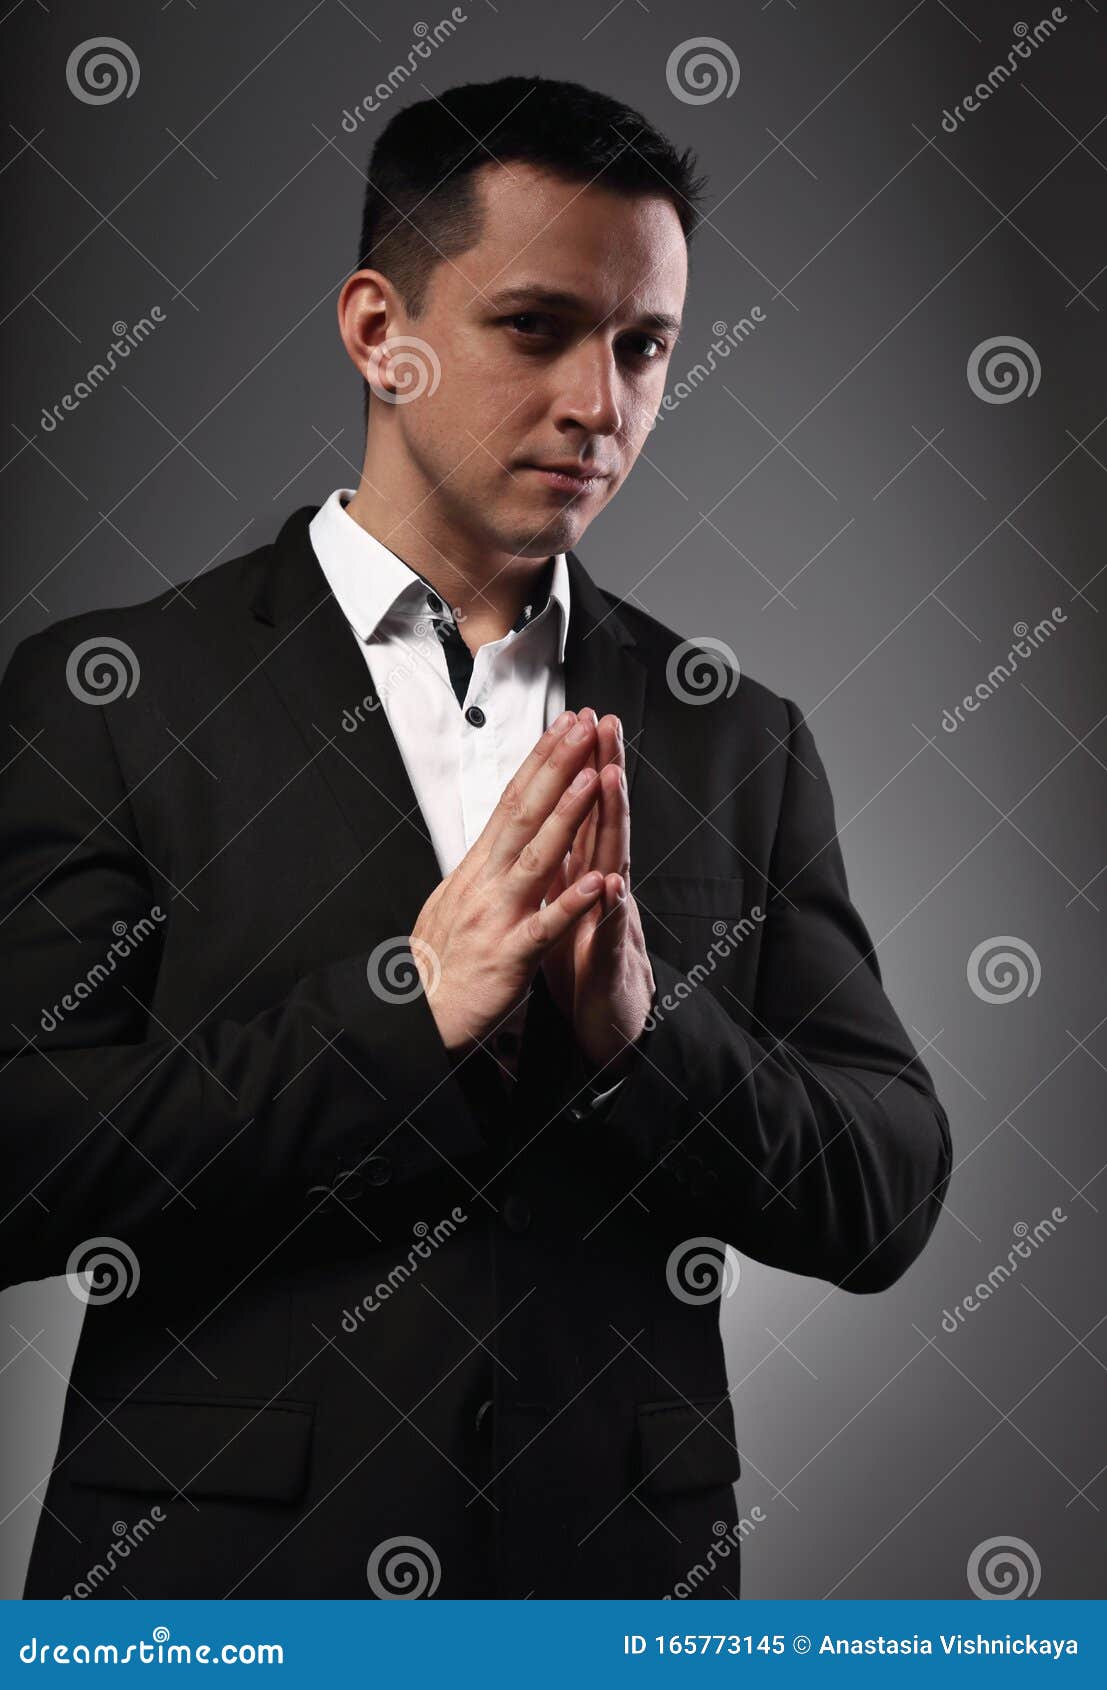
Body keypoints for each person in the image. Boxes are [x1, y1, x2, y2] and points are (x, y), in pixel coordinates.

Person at [2, 75, 951, 1600]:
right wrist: (403, 1009)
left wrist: (653, 1043)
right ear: (382, 331)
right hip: (220, 1585)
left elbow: (892, 1187)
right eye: (537, 328)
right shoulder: (115, 695)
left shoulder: (731, 732)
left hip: (619, 1589)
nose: (602, 401)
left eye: (644, 346)